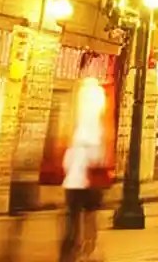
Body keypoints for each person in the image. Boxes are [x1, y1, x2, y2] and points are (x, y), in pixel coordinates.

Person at [60, 78, 106, 262]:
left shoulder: (77, 128)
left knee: (74, 219)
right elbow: (97, 158)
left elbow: (67, 160)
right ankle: (87, 250)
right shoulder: (94, 129)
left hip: (74, 183)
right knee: (88, 218)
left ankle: (74, 251)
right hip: (86, 182)